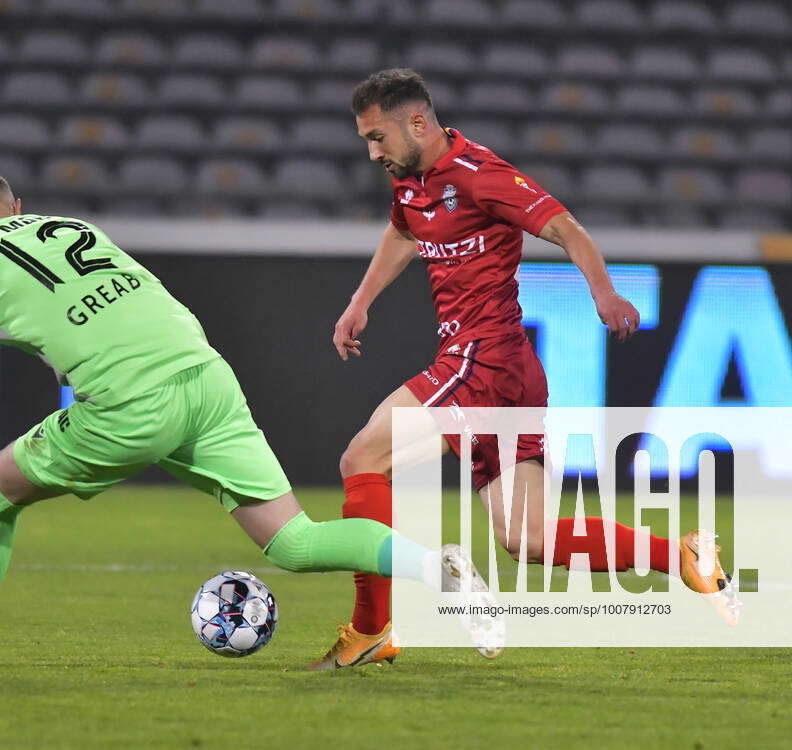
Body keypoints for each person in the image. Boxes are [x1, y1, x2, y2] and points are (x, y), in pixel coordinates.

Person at [0, 168, 498, 666]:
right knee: (295, 541)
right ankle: (434, 568)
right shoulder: (74, 229)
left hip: (129, 402)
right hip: (206, 376)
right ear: (18, 210)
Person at [312, 69, 739, 670]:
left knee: (362, 459)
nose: (372, 151)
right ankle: (686, 556)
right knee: (527, 538)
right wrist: (361, 302)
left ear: (417, 122)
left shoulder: (480, 174)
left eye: (378, 137)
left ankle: (371, 628)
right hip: (507, 373)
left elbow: (566, 227)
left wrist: (605, 295)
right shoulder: (410, 182)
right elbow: (403, 230)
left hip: (481, 361)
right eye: (366, 140)